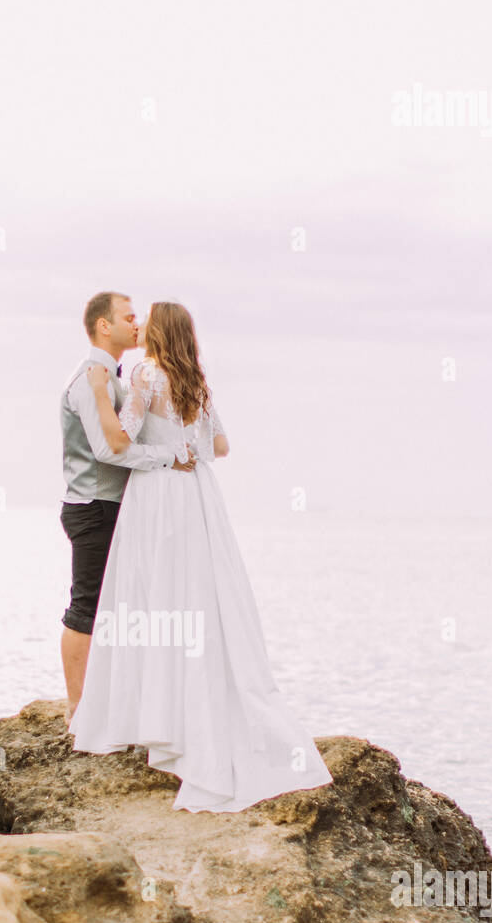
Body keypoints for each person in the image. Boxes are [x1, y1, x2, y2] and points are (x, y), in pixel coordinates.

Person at [68, 300, 334, 813]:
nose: (139, 325)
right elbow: (222, 446)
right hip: (198, 498)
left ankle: (151, 716)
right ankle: (184, 712)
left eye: (147, 320)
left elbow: (121, 434)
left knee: (152, 596)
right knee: (195, 596)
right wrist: (187, 448)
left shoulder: (147, 374)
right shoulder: (197, 381)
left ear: (160, 332)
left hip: (157, 495)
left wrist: (103, 396)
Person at [59, 291, 196, 723]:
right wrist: (165, 458)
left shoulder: (117, 378)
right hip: (94, 505)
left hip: (116, 505)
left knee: (118, 606)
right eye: (128, 317)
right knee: (87, 606)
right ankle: (77, 707)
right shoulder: (89, 381)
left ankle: (113, 698)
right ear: (104, 325)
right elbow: (107, 451)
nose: (137, 324)